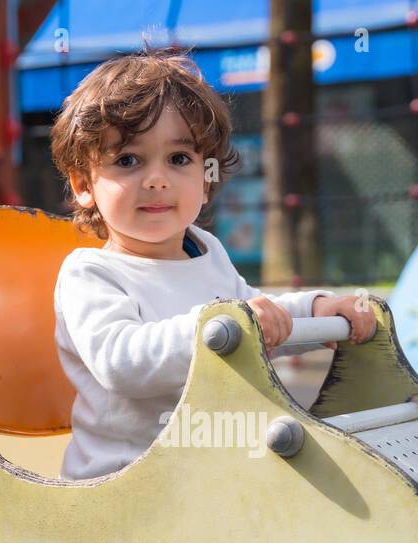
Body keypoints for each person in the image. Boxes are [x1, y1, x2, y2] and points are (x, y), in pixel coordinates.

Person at [50, 48, 376, 481]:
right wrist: (221, 325)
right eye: (128, 160)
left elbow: (257, 318)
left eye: (179, 159)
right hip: (126, 482)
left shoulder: (206, 250)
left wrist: (315, 311)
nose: (157, 179)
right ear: (83, 184)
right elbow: (121, 364)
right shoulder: (91, 274)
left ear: (206, 177)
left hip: (206, 474)